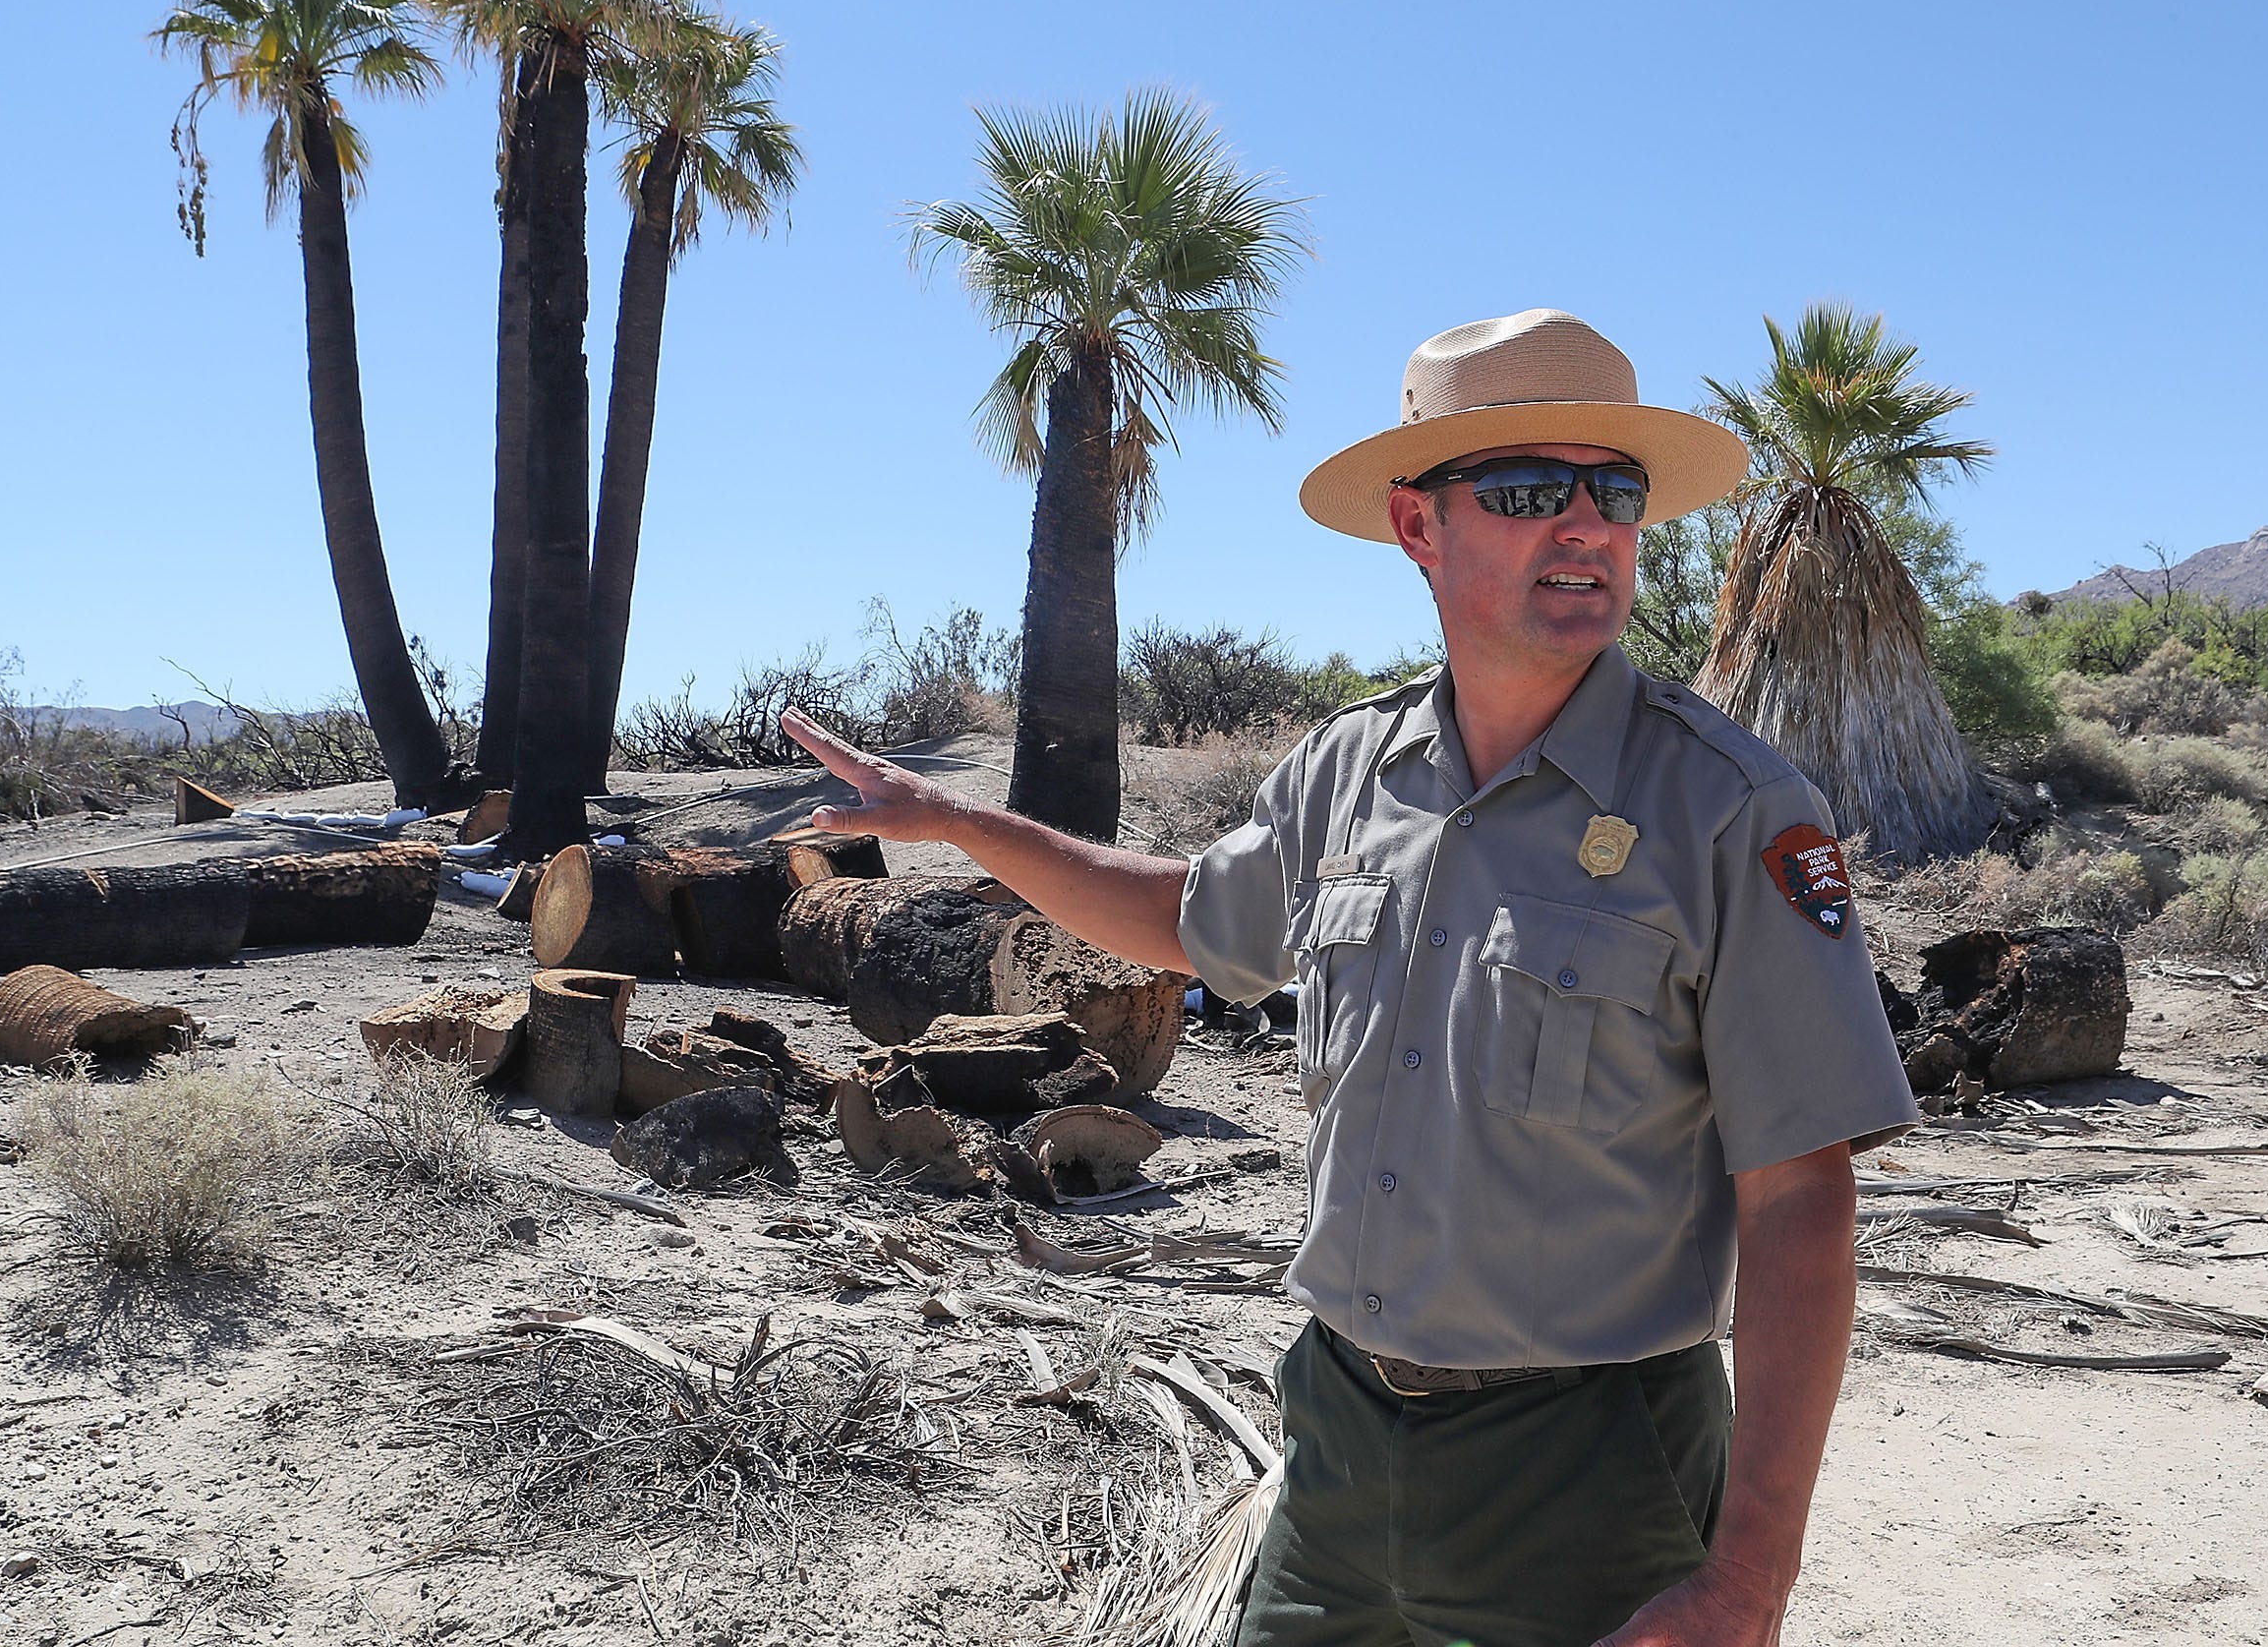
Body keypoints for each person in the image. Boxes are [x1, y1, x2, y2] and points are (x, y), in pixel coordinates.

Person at [784, 308, 1920, 1647]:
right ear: (1415, 525)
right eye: (1525, 489)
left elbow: (1802, 1201)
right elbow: (1194, 917)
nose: (1585, 525)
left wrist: (1749, 1584)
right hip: (1338, 1433)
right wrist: (966, 822)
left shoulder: (1729, 811)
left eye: (1615, 491)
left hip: (1595, 1466)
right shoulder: (1347, 773)